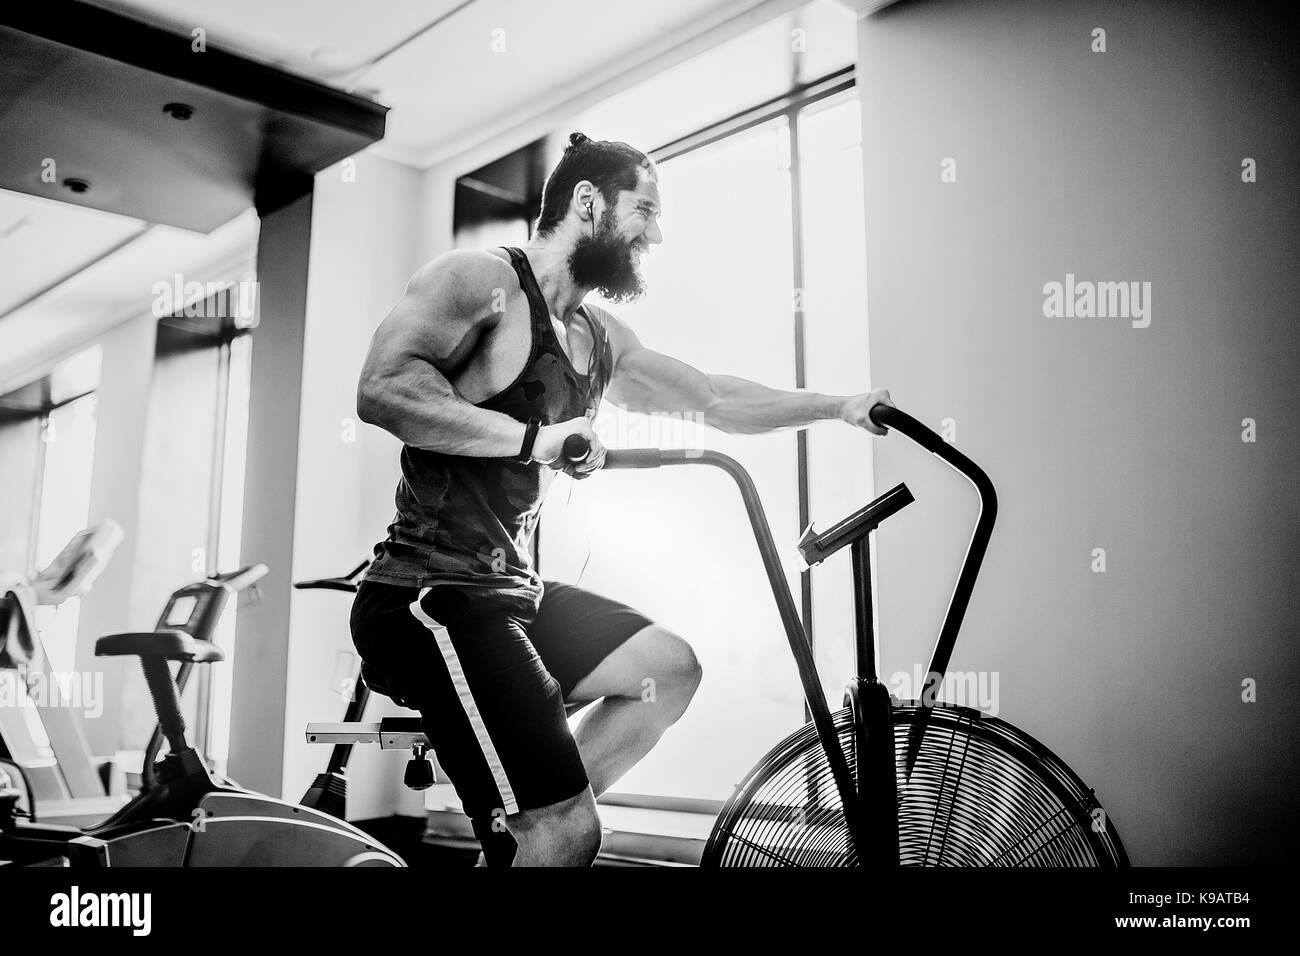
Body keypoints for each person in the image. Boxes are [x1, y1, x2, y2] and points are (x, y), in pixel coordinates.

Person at [351, 131, 894, 867]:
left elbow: (714, 398)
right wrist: (536, 439)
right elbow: (384, 389)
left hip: (511, 591)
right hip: (428, 594)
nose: (655, 234)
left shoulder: (598, 337)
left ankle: (531, 832)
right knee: (569, 832)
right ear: (587, 201)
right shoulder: (480, 280)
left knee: (666, 670)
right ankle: (549, 829)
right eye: (645, 210)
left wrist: (839, 407)